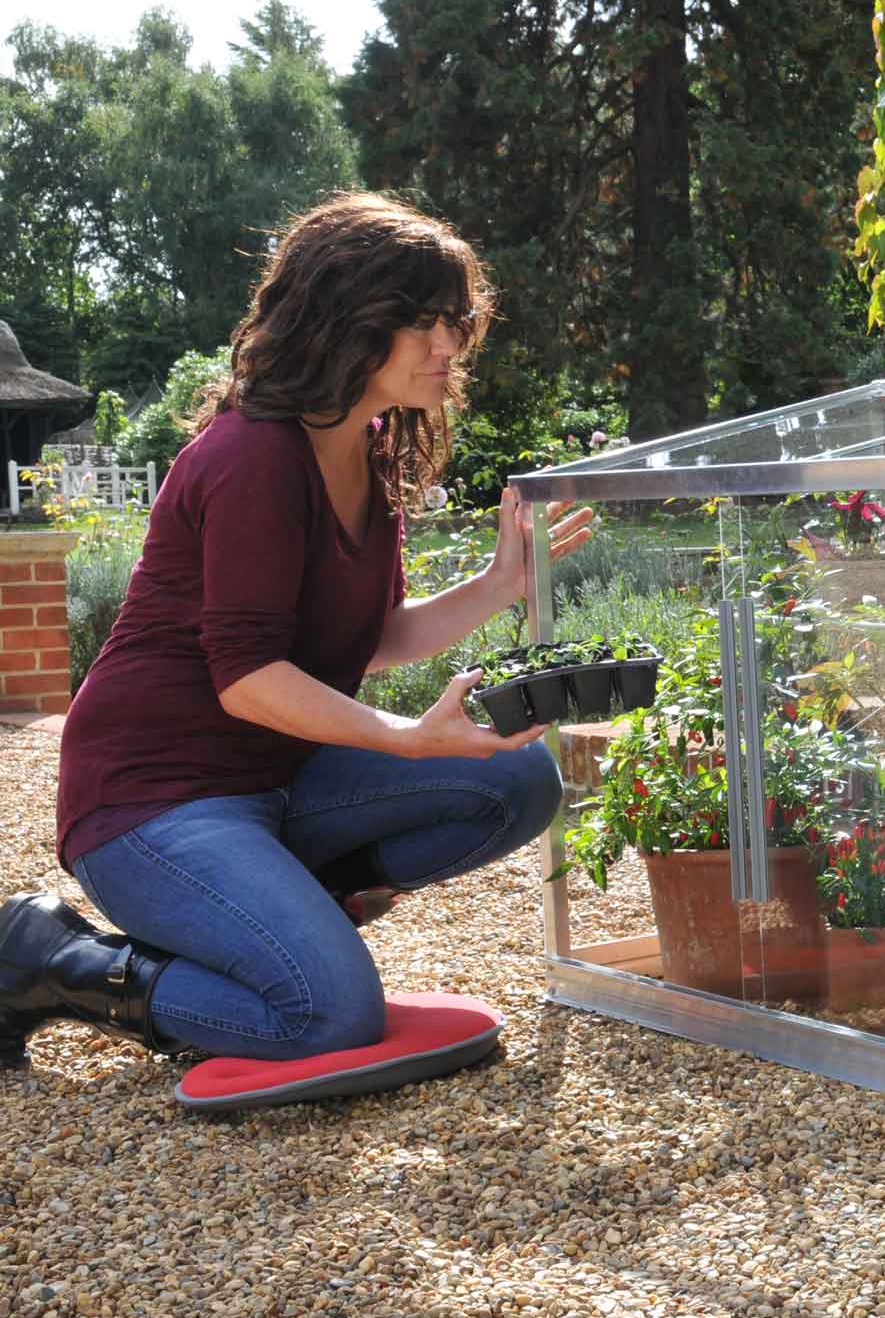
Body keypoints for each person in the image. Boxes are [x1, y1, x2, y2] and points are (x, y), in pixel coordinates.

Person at [0, 193, 592, 1070]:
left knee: (515, 776)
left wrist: (503, 583)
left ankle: (291, 899)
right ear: (344, 318)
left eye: (456, 321)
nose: (448, 345)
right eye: (421, 321)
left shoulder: (371, 443)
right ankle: (55, 961)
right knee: (325, 1015)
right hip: (150, 802)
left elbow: (374, 636)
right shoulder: (252, 459)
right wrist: (409, 739)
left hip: (276, 784)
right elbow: (248, 679)